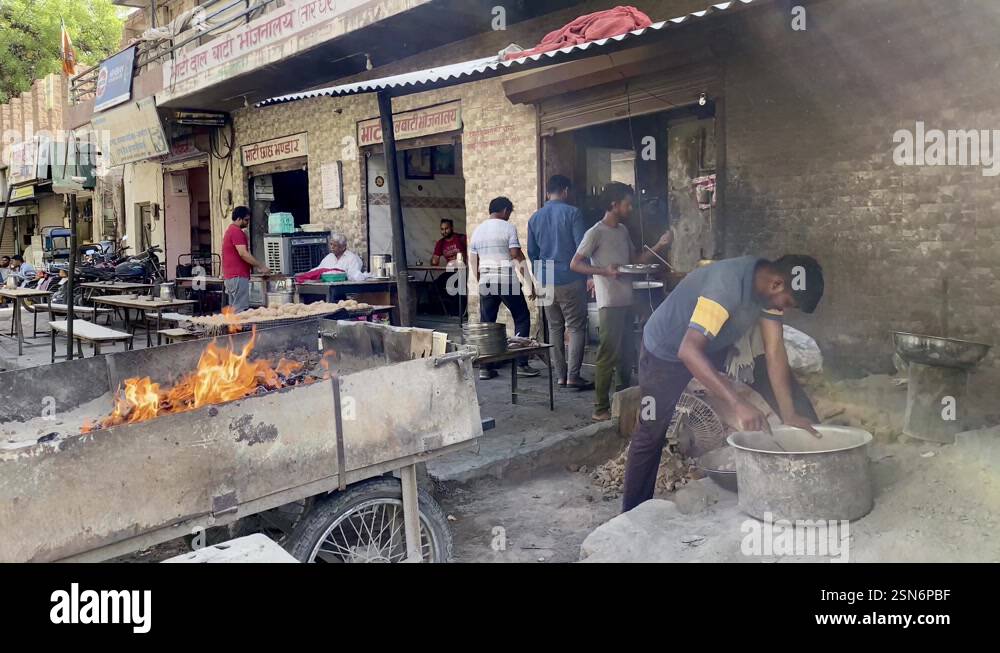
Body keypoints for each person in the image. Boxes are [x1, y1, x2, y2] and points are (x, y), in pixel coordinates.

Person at [621, 254, 825, 512]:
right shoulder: (725, 287)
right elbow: (689, 351)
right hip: (665, 352)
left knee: (777, 380)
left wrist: (789, 413)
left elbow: (774, 351)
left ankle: (818, 463)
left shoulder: (768, 287)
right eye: (787, 303)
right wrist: (737, 404)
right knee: (650, 431)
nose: (784, 309)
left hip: (715, 344)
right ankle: (632, 513)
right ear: (777, 285)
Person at [571, 182, 672, 422]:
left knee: (627, 354)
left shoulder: (623, 231)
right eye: (627, 204)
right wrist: (604, 271)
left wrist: (659, 245)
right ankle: (600, 408)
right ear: (614, 205)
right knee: (608, 355)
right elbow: (575, 264)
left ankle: (623, 401)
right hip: (610, 302)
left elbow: (635, 259)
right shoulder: (595, 232)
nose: (630, 208)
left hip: (626, 299)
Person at [528, 175, 592, 391]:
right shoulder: (573, 213)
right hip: (570, 278)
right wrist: (590, 275)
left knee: (555, 327)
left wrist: (541, 276)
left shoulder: (535, 218)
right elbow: (582, 248)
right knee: (576, 328)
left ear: (548, 192)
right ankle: (574, 376)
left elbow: (532, 253)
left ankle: (560, 376)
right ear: (565, 190)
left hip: (546, 280)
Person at [469, 196, 539, 380]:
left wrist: (480, 280)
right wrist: (529, 283)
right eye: (510, 212)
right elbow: (515, 253)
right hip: (506, 279)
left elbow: (473, 260)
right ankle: (522, 364)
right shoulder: (508, 227)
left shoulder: (478, 230)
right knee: (522, 317)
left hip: (486, 280)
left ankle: (486, 367)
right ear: (506, 210)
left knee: (487, 324)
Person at [222, 206, 270, 313]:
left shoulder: (230, 230)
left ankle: (233, 329)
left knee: (233, 309)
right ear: (239, 219)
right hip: (237, 277)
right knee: (240, 309)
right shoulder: (236, 232)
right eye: (246, 220)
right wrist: (260, 266)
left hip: (230, 277)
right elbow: (243, 253)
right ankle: (242, 330)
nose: (248, 223)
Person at [431, 219, 467, 314]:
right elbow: (435, 262)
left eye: (446, 228)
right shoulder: (440, 243)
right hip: (450, 271)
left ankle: (459, 311)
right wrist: (434, 258)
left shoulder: (461, 238)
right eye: (442, 229)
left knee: (457, 286)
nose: (444, 231)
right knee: (434, 286)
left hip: (464, 270)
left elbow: (473, 251)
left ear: (452, 228)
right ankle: (446, 310)